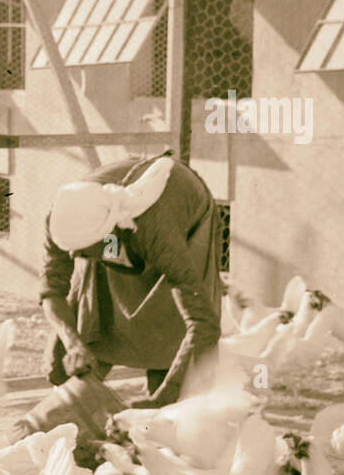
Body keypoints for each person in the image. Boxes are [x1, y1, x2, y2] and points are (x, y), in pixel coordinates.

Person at [39, 150, 222, 409]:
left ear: (108, 232)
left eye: (79, 249)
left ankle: (163, 402)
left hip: (179, 215)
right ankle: (79, 405)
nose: (72, 256)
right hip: (116, 228)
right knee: (85, 304)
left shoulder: (158, 229)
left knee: (168, 322)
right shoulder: (65, 217)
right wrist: (74, 344)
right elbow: (51, 291)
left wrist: (164, 398)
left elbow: (204, 323)